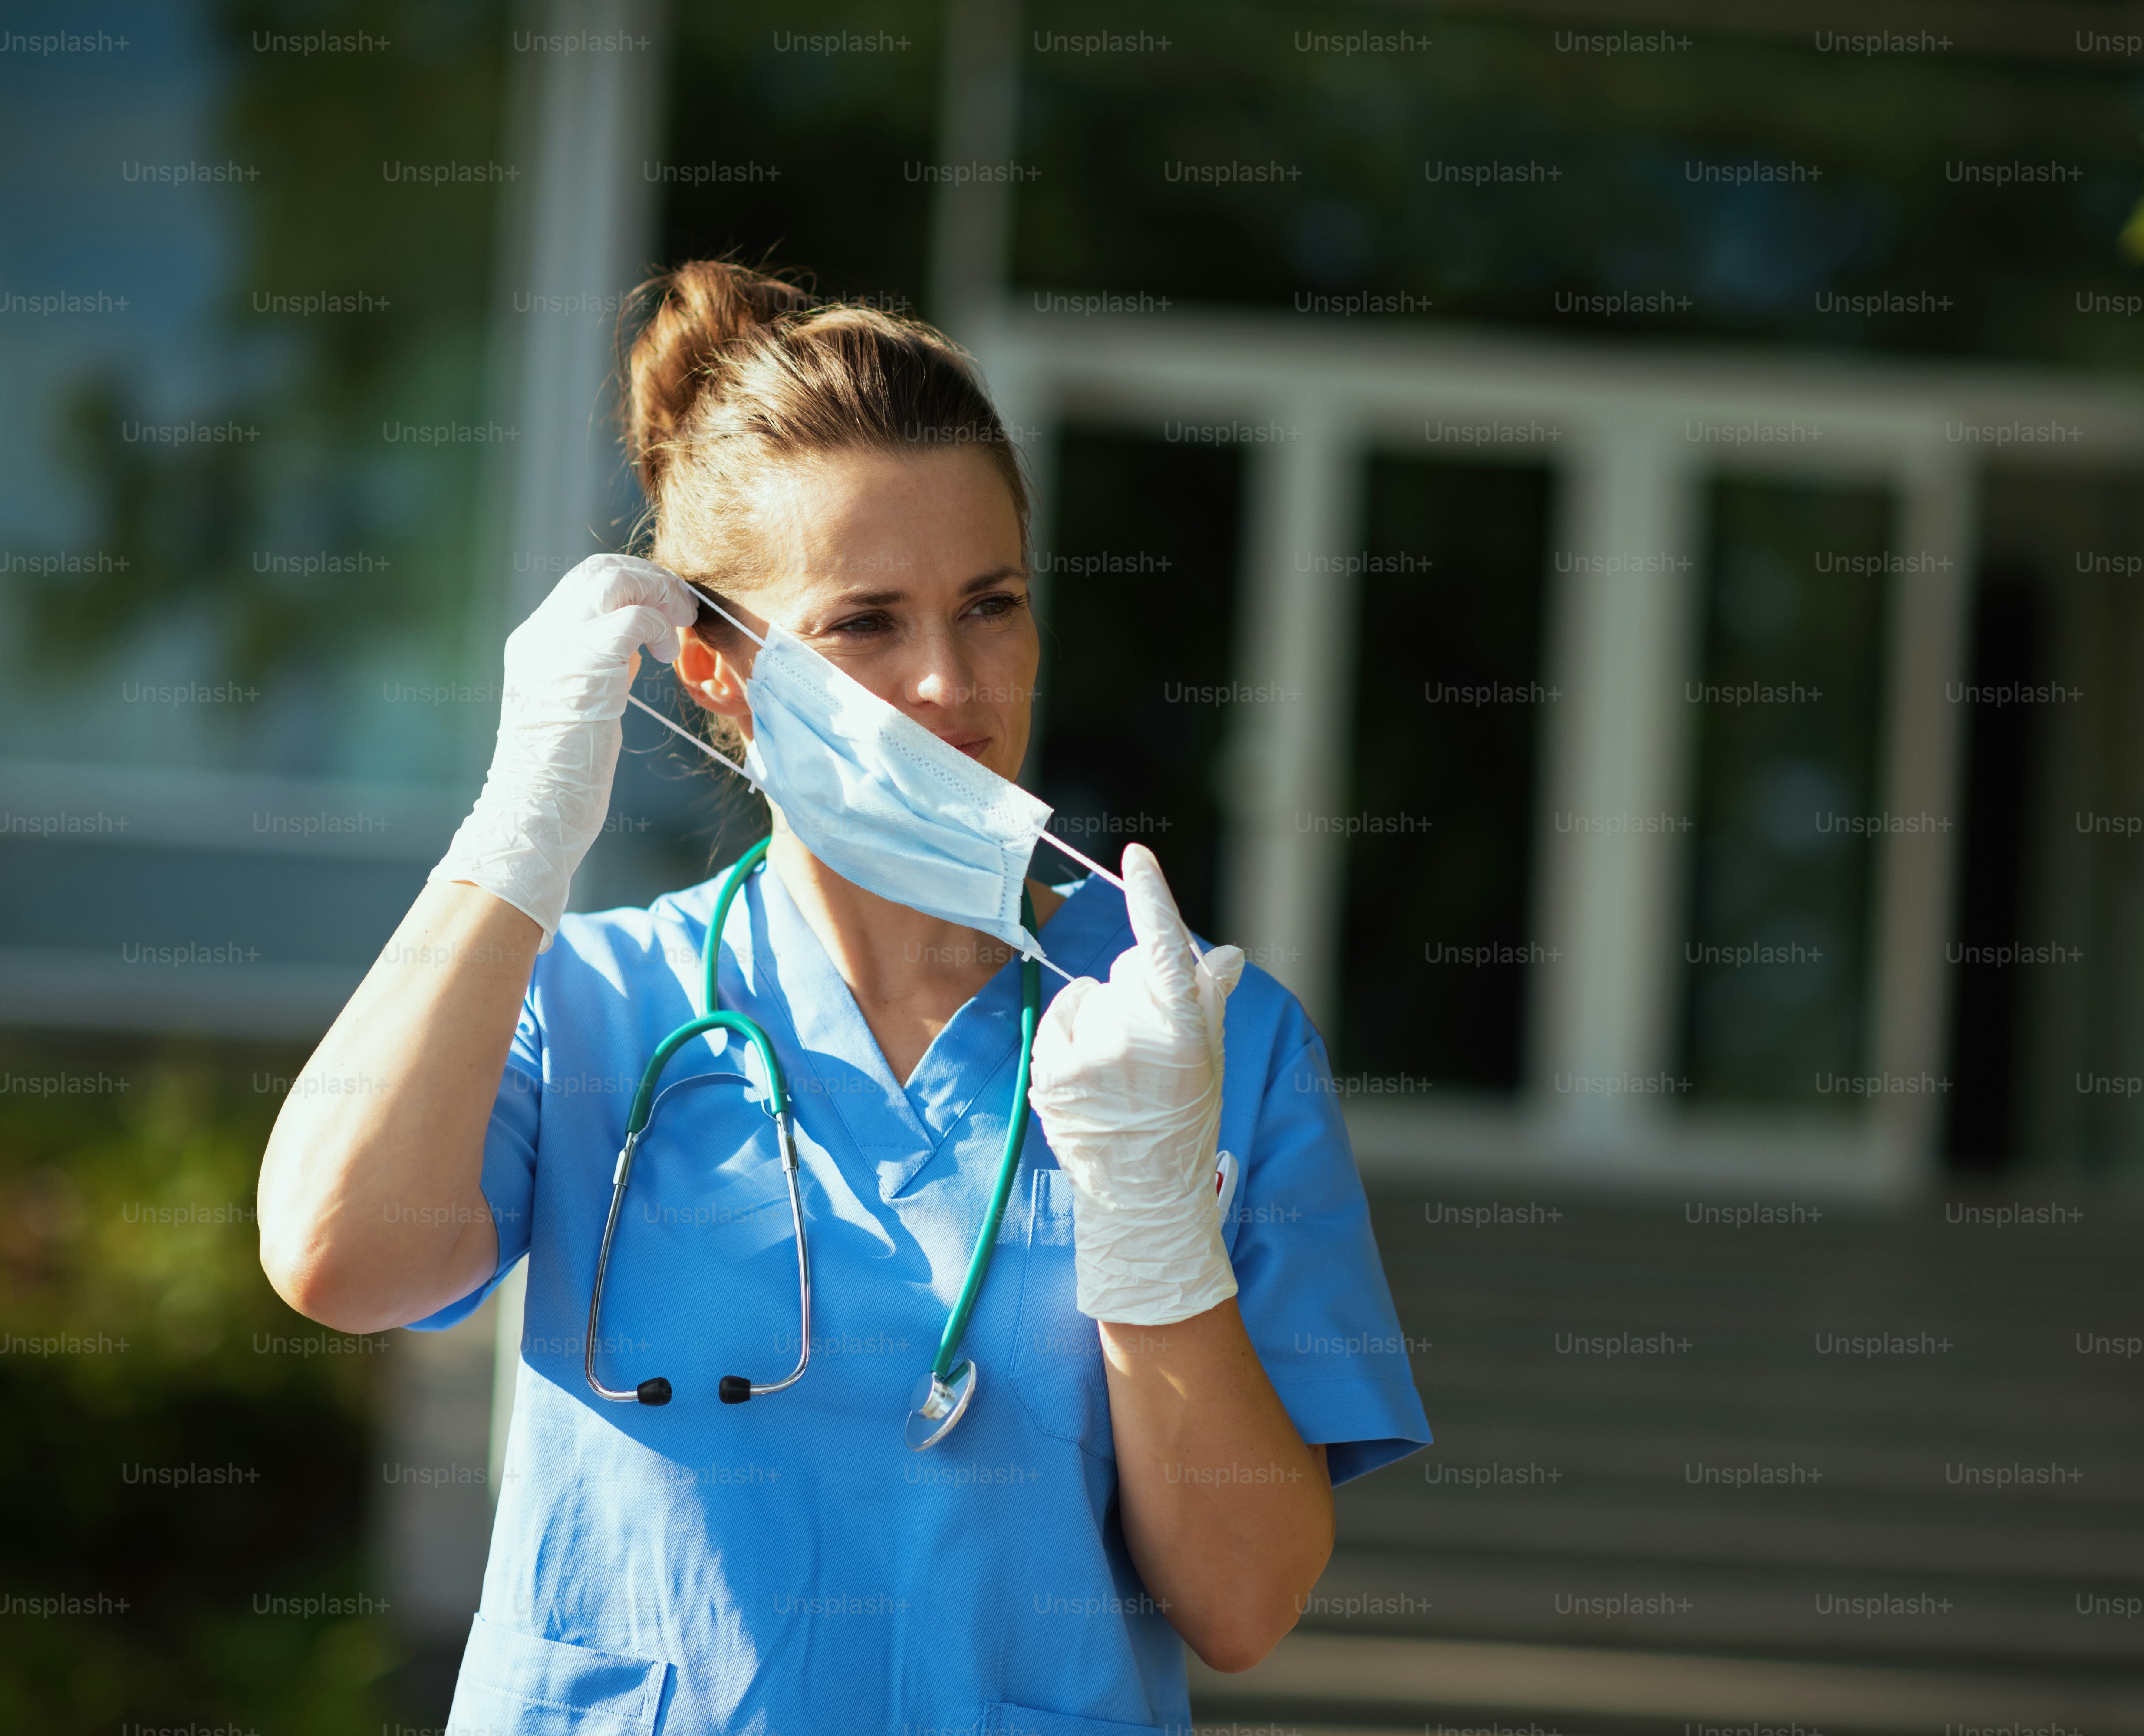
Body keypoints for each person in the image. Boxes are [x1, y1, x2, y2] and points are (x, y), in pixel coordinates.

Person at [255, 260, 1429, 1733]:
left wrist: (1154, 1229)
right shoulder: (596, 1001)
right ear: (718, 676)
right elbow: (337, 1259)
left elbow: (1245, 1608)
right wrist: (515, 836)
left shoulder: (1201, 1041)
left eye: (991, 605)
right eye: (866, 623)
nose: (950, 682)